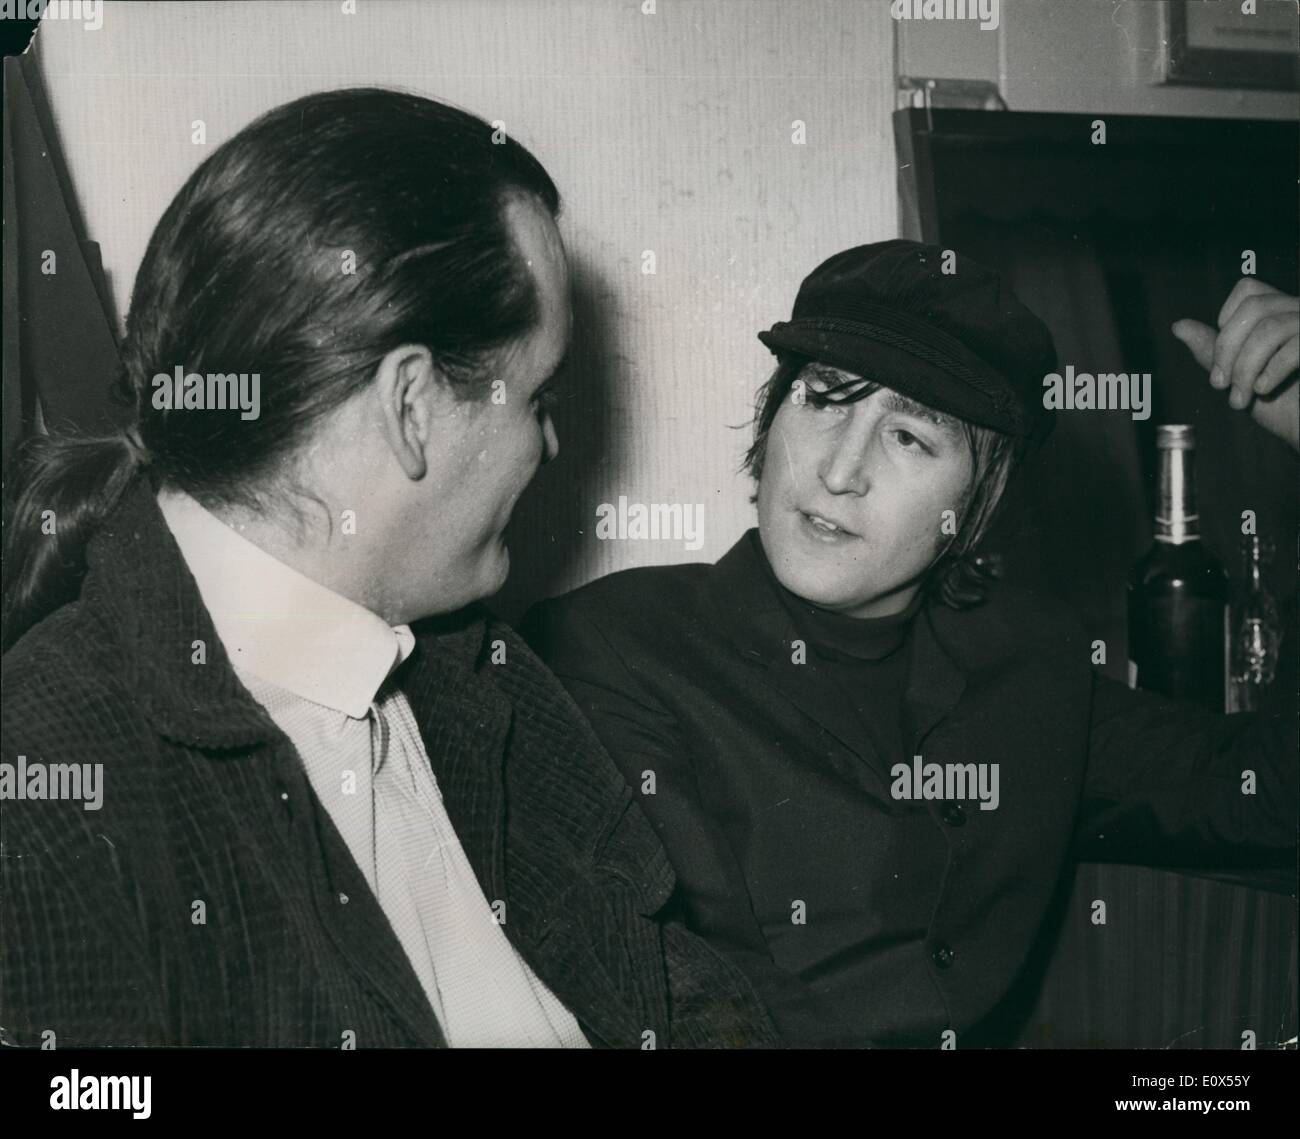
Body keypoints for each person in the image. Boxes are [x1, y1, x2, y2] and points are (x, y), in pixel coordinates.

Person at [0, 88, 777, 1049]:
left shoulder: (476, 670)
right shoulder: (49, 790)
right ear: (411, 405)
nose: (552, 445)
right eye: (538, 397)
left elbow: (682, 997)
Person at [523, 241, 1299, 1047]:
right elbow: (705, 1009)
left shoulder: (1032, 670)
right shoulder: (613, 649)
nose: (839, 471)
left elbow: (1272, 793)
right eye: (823, 400)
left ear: (982, 499)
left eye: (909, 439)